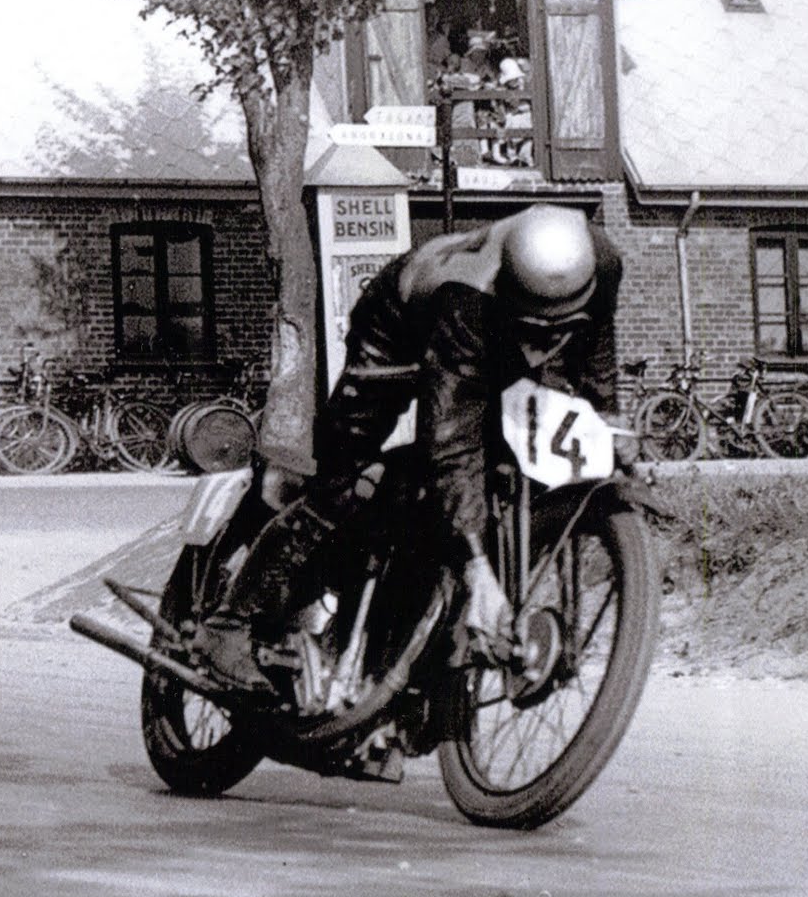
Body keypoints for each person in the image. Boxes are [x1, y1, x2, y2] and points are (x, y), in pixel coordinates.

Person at [194, 205, 624, 694]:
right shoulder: (466, 299)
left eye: (554, 328)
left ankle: (394, 638)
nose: (543, 343)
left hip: (492, 339)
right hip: (396, 330)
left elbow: (597, 343)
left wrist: (608, 419)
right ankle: (229, 623)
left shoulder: (602, 260)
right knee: (339, 482)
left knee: (484, 474)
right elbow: (452, 440)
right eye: (536, 325)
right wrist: (477, 568)